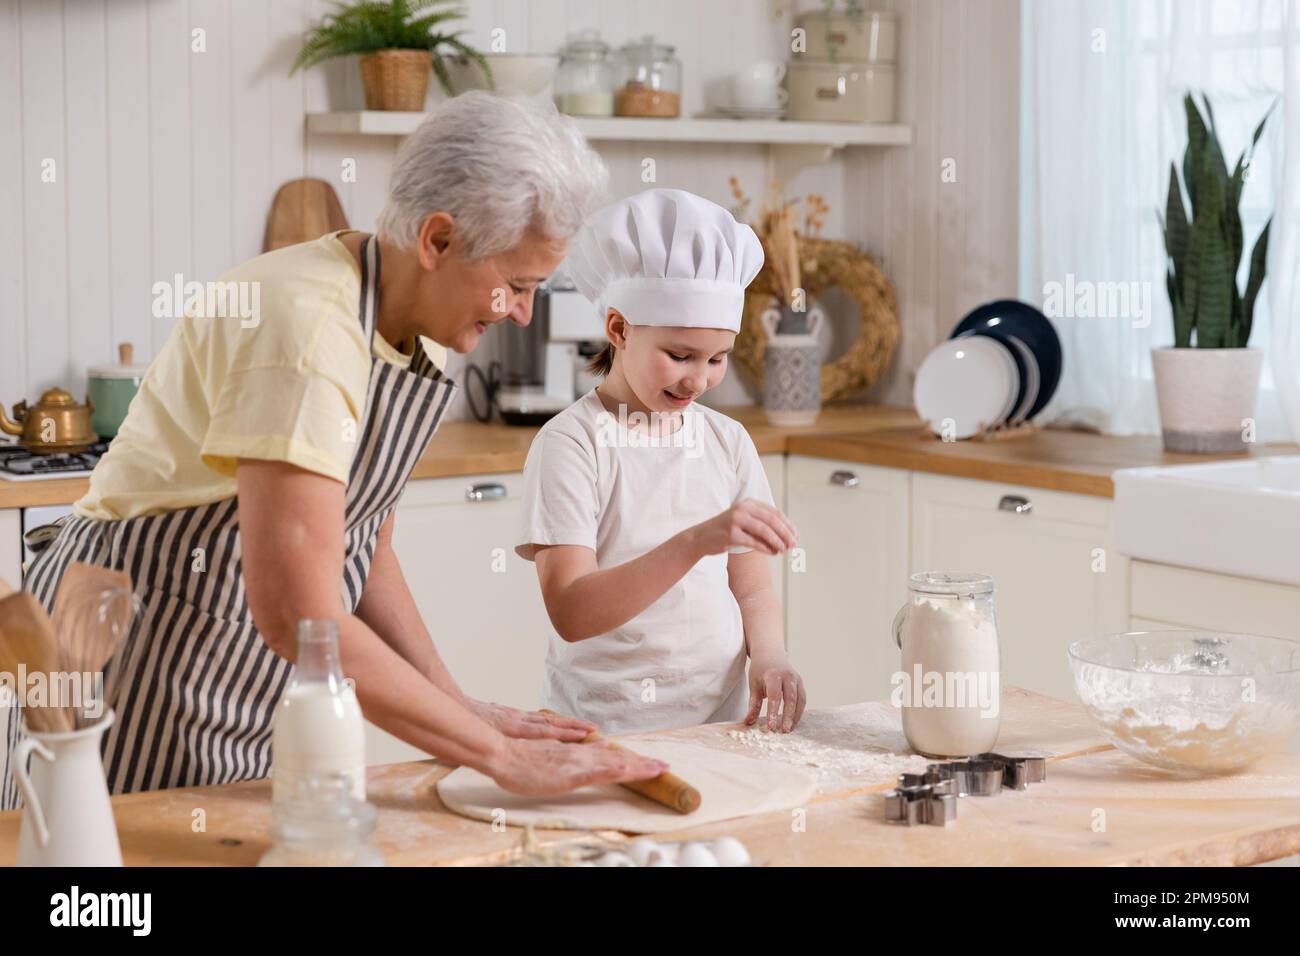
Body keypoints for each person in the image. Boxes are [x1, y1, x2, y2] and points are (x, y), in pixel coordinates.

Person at [0, 93, 667, 812]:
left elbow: (359, 537)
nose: (524, 314)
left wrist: (460, 706)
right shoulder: (308, 328)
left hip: (230, 669)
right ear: (438, 241)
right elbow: (300, 614)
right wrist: (499, 757)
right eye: (517, 286)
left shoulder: (408, 322)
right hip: (138, 658)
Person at [515, 188, 807, 735]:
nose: (699, 380)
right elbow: (572, 612)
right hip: (606, 726)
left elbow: (751, 585)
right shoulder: (573, 444)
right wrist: (697, 539)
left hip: (719, 725)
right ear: (619, 329)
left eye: (717, 358)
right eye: (680, 356)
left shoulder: (728, 440)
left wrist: (770, 656)